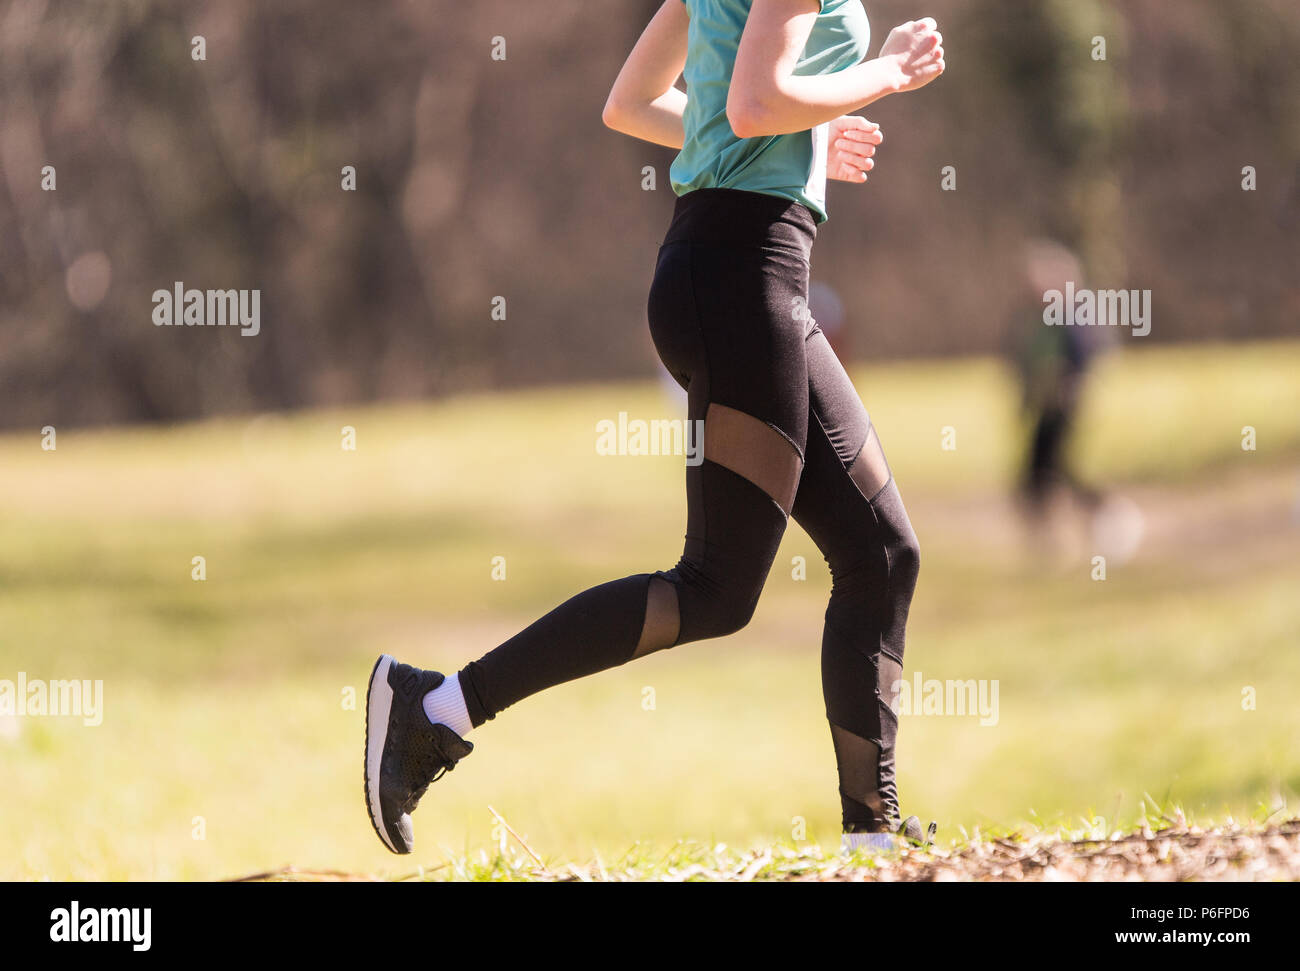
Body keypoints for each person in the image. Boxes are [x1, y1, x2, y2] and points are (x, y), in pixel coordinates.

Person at [364, 0, 945, 856]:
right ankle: (435, 708)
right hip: (743, 279)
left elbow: (636, 103)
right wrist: (883, 74)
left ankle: (875, 835)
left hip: (732, 272)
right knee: (715, 587)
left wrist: (814, 133)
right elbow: (754, 105)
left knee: (881, 552)